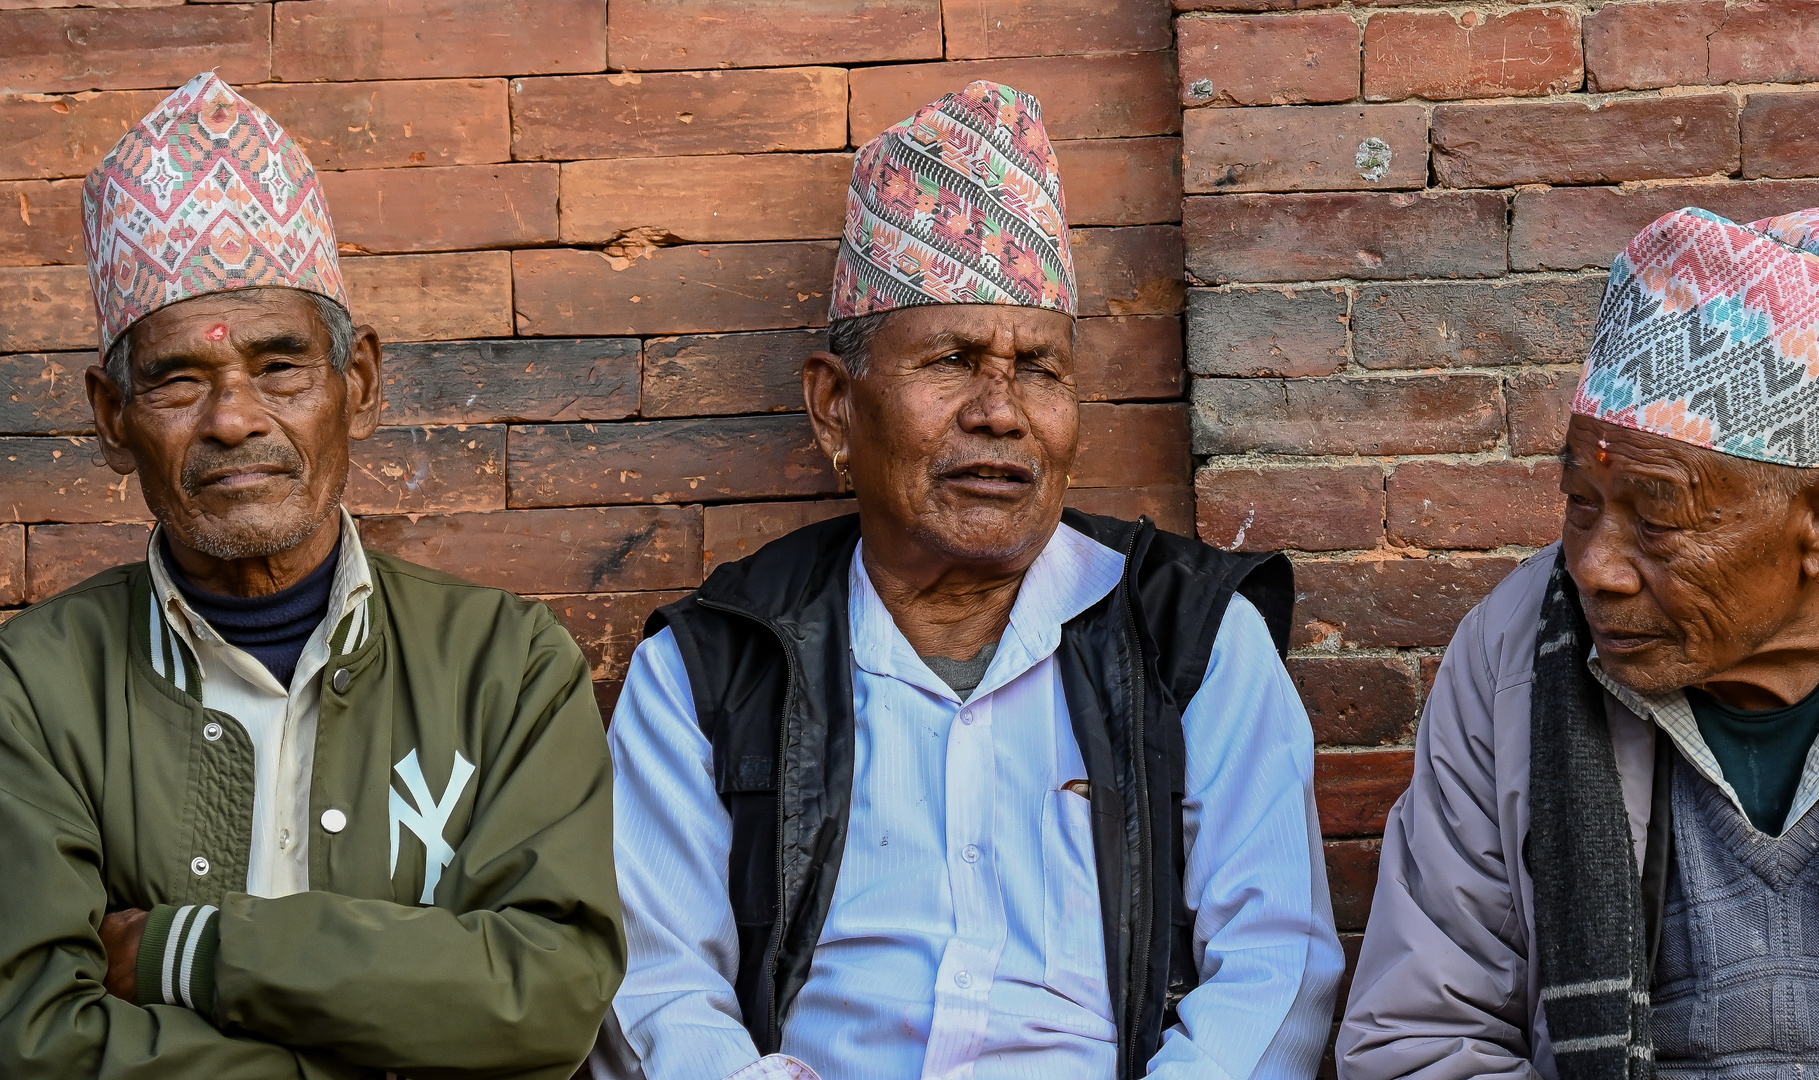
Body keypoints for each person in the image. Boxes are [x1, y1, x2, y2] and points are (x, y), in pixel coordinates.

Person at [597, 82, 1342, 1080]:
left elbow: (1272, 970)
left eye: (1040, 367)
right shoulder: (714, 662)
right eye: (952, 359)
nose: (1002, 411)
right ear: (833, 407)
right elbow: (655, 986)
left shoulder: (1191, 639)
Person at [1336, 206, 1819, 1080]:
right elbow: (1420, 1037)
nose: (1596, 569)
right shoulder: (1508, 656)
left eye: (1659, 515)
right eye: (1580, 503)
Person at [0, 72, 624, 1079]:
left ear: (361, 384)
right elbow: (30, 1042)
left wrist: (187, 951)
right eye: (176, 379)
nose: (234, 418)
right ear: (113, 419)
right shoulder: (33, 686)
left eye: (281, 366)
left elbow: (550, 998)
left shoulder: (506, 666)